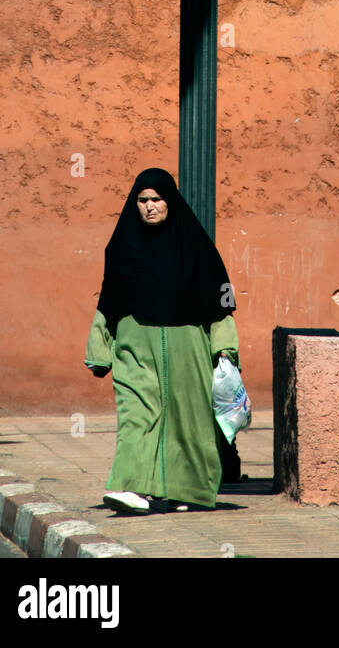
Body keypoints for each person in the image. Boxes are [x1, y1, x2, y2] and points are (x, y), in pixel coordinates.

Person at [85, 167, 240, 513]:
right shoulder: (123, 246)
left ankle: (190, 491)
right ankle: (128, 486)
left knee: (191, 420)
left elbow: (219, 305)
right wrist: (99, 349)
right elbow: (108, 301)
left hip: (189, 349)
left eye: (157, 199)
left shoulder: (197, 248)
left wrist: (226, 351)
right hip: (134, 348)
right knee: (136, 414)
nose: (150, 207)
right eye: (142, 200)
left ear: (170, 202)